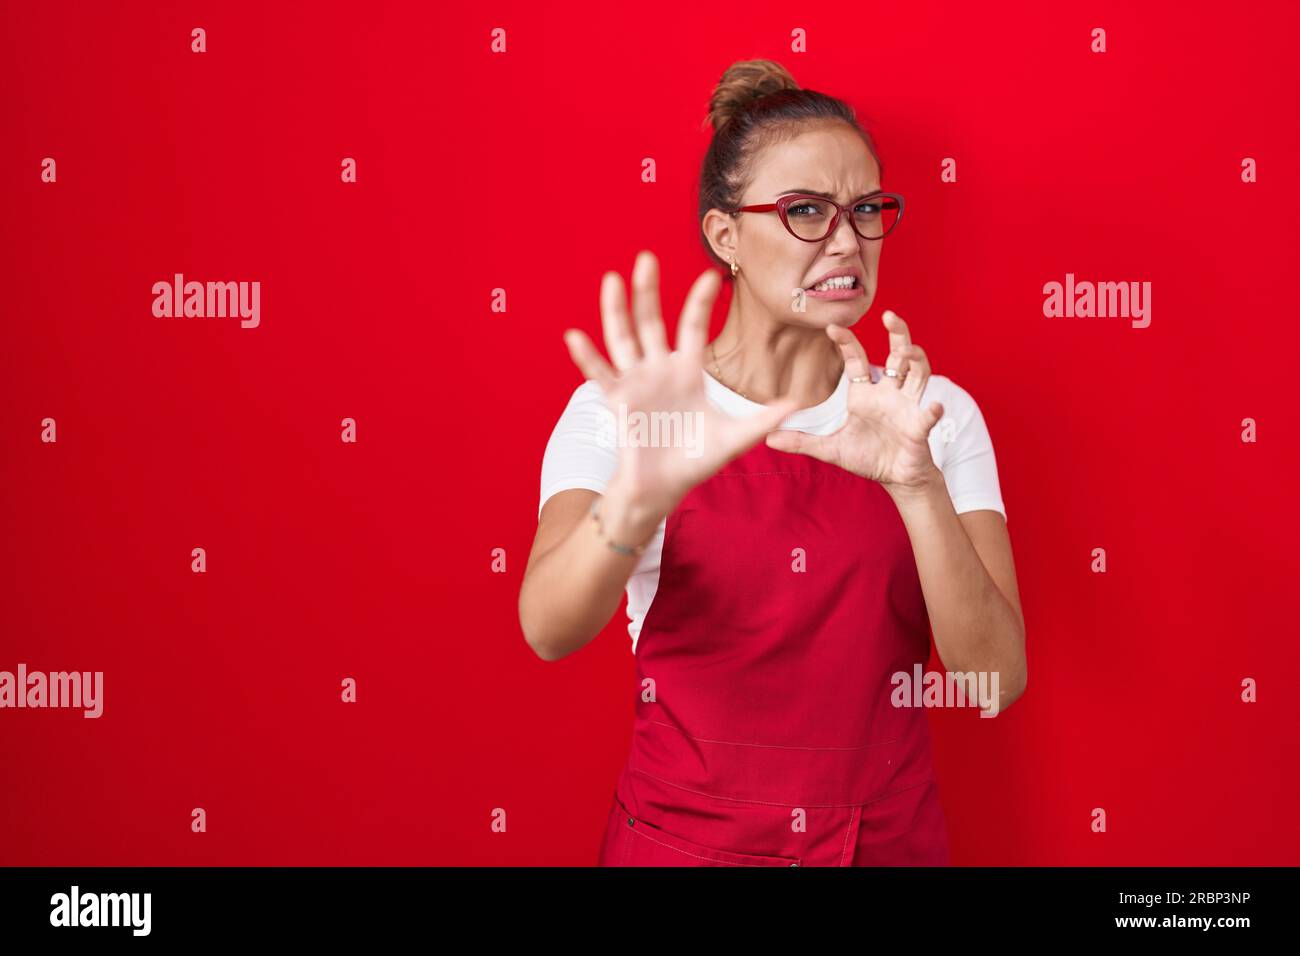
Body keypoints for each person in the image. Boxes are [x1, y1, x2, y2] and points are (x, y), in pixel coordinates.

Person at [518, 59, 1026, 866]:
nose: (847, 241)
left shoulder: (931, 413)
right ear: (727, 237)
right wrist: (637, 500)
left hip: (883, 845)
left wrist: (916, 484)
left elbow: (994, 682)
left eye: (865, 210)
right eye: (805, 212)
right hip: (683, 846)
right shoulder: (630, 412)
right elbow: (547, 628)